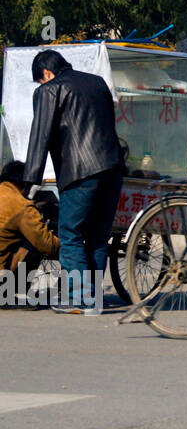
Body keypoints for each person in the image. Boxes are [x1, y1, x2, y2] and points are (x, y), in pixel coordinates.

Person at [22, 50, 126, 314]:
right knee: (99, 236)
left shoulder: (49, 90)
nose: (40, 85)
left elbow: (40, 136)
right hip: (113, 169)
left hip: (80, 172)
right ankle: (93, 298)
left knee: (70, 235)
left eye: (40, 80)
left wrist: (30, 180)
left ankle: (82, 299)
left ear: (45, 73)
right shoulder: (97, 83)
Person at [0, 161, 60, 288]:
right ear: (25, 184)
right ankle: (11, 292)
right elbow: (47, 245)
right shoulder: (21, 205)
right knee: (34, 242)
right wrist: (69, 245)